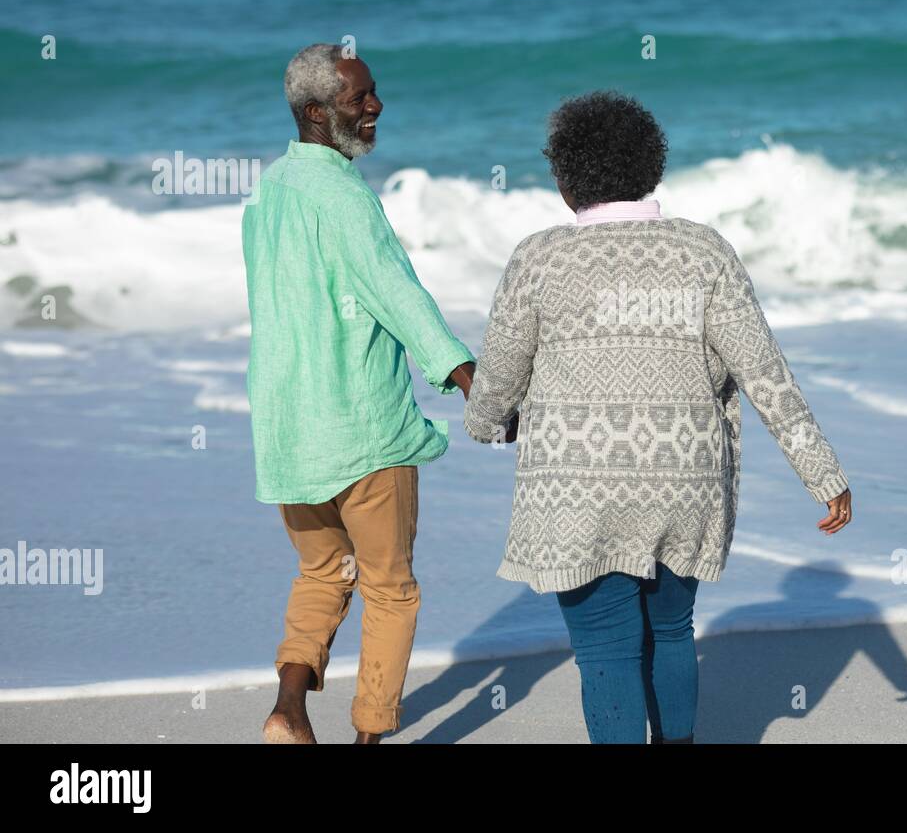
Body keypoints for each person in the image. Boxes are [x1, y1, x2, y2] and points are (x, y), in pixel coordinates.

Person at [463, 90, 852, 743]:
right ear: (653, 169)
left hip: (577, 490)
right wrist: (823, 472)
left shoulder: (537, 257)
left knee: (605, 650)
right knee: (672, 630)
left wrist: (488, 422)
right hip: (683, 482)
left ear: (564, 181)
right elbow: (764, 373)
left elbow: (498, 382)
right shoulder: (705, 252)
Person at [242, 43, 476, 744]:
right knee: (389, 587)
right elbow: (397, 294)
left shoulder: (268, 192)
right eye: (357, 98)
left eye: (374, 91)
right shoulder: (345, 198)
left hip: (288, 429)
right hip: (363, 431)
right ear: (316, 114)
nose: (375, 106)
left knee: (321, 570)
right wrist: (465, 375)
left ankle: (289, 708)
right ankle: (371, 735)